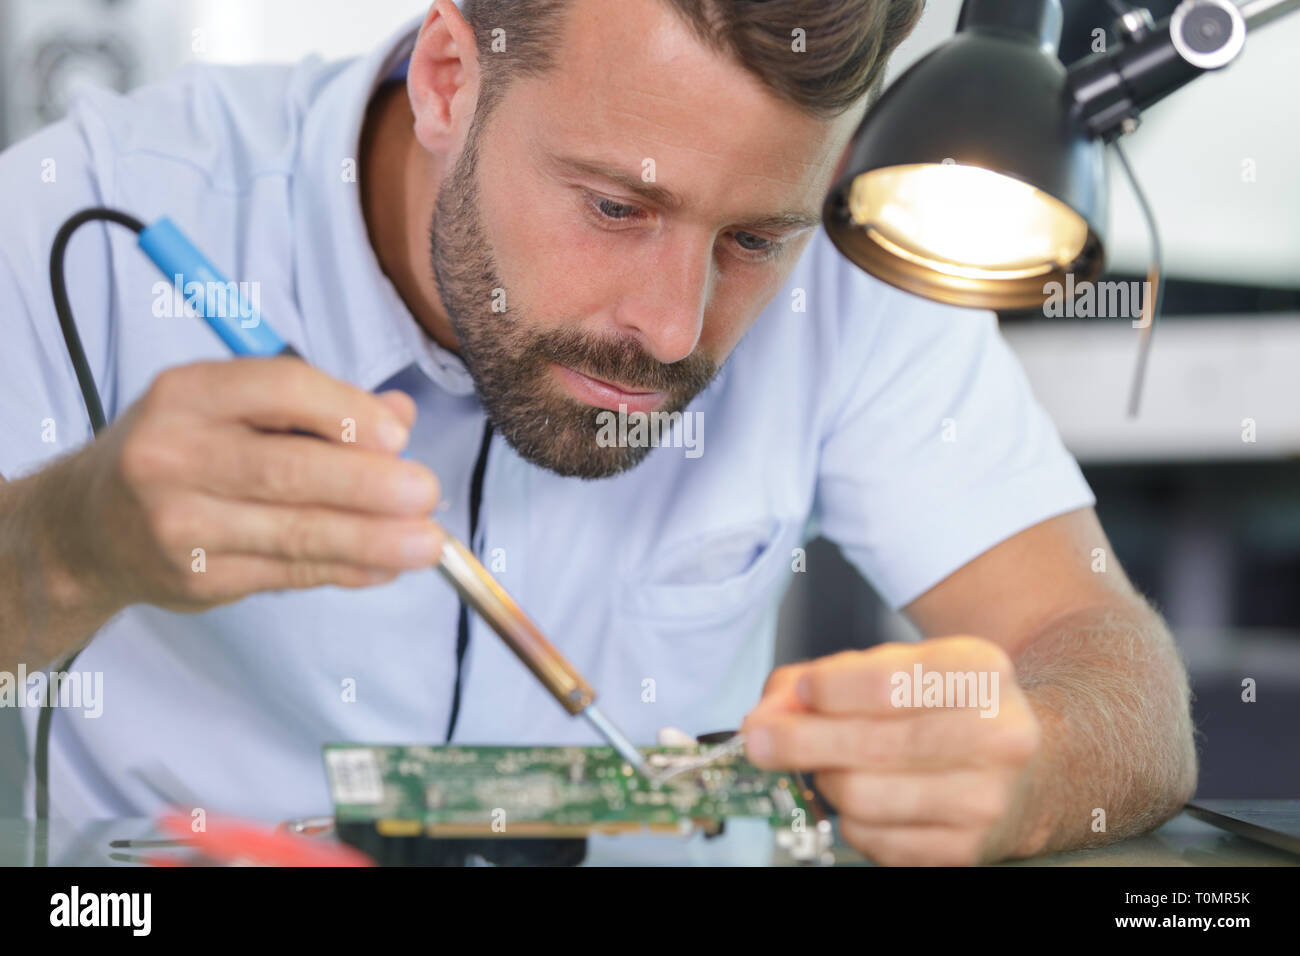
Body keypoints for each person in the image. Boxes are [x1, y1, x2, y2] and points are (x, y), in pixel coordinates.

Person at [0, 0, 1195, 864]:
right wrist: (71, 537)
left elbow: (1112, 665)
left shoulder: (857, 251)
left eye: (753, 240)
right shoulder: (99, 204)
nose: (673, 331)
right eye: (618, 206)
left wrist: (1024, 764)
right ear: (448, 78)